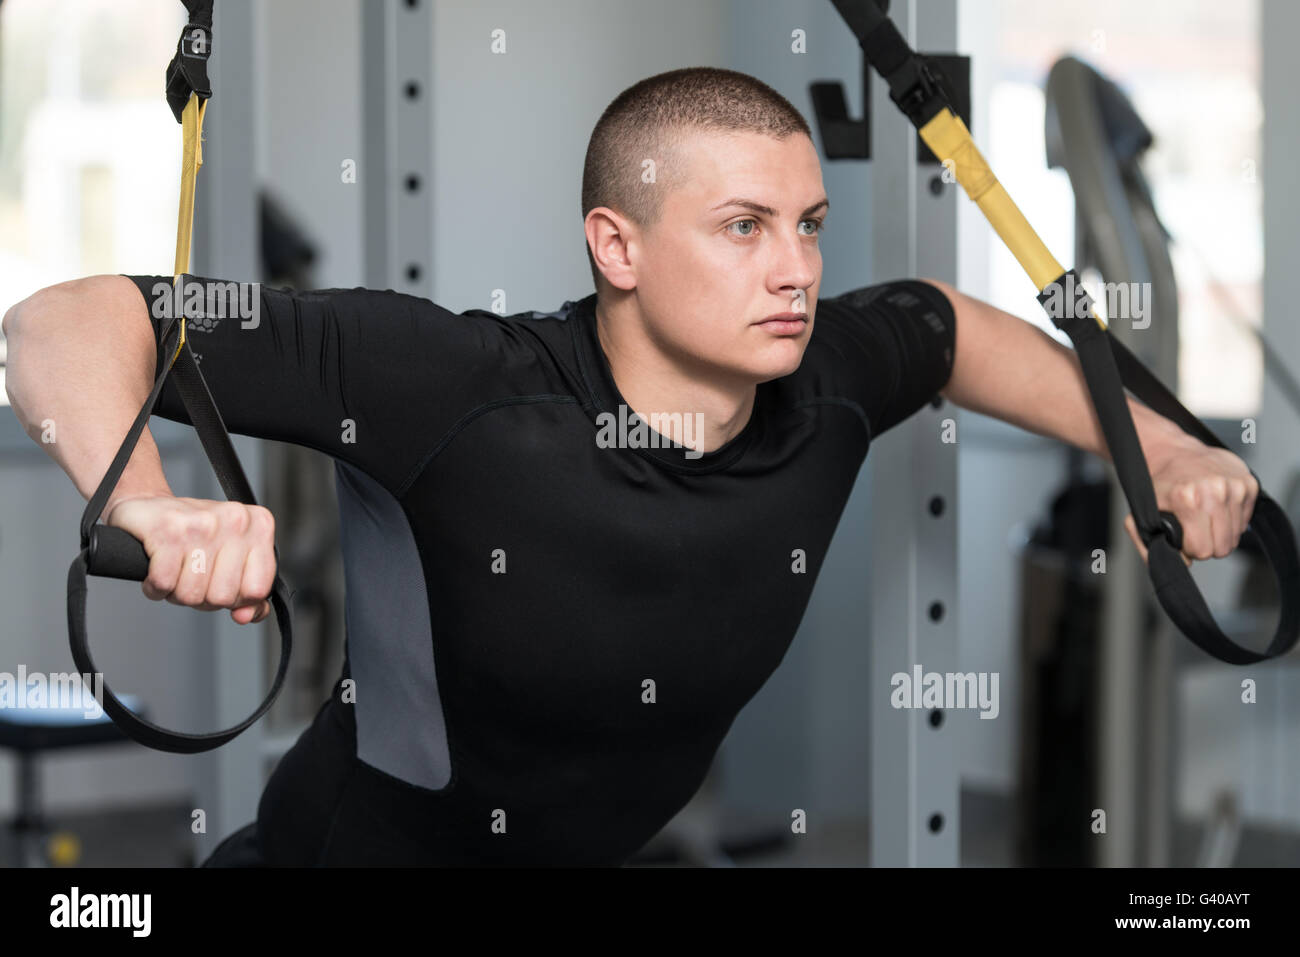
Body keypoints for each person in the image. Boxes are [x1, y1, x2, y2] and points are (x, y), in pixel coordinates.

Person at [2, 67, 1257, 866]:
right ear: (618, 245)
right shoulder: (446, 383)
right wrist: (146, 503)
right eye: (742, 227)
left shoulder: (825, 380)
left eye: (808, 226)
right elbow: (62, 317)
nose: (795, 270)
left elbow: (945, 322)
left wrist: (1160, 449)